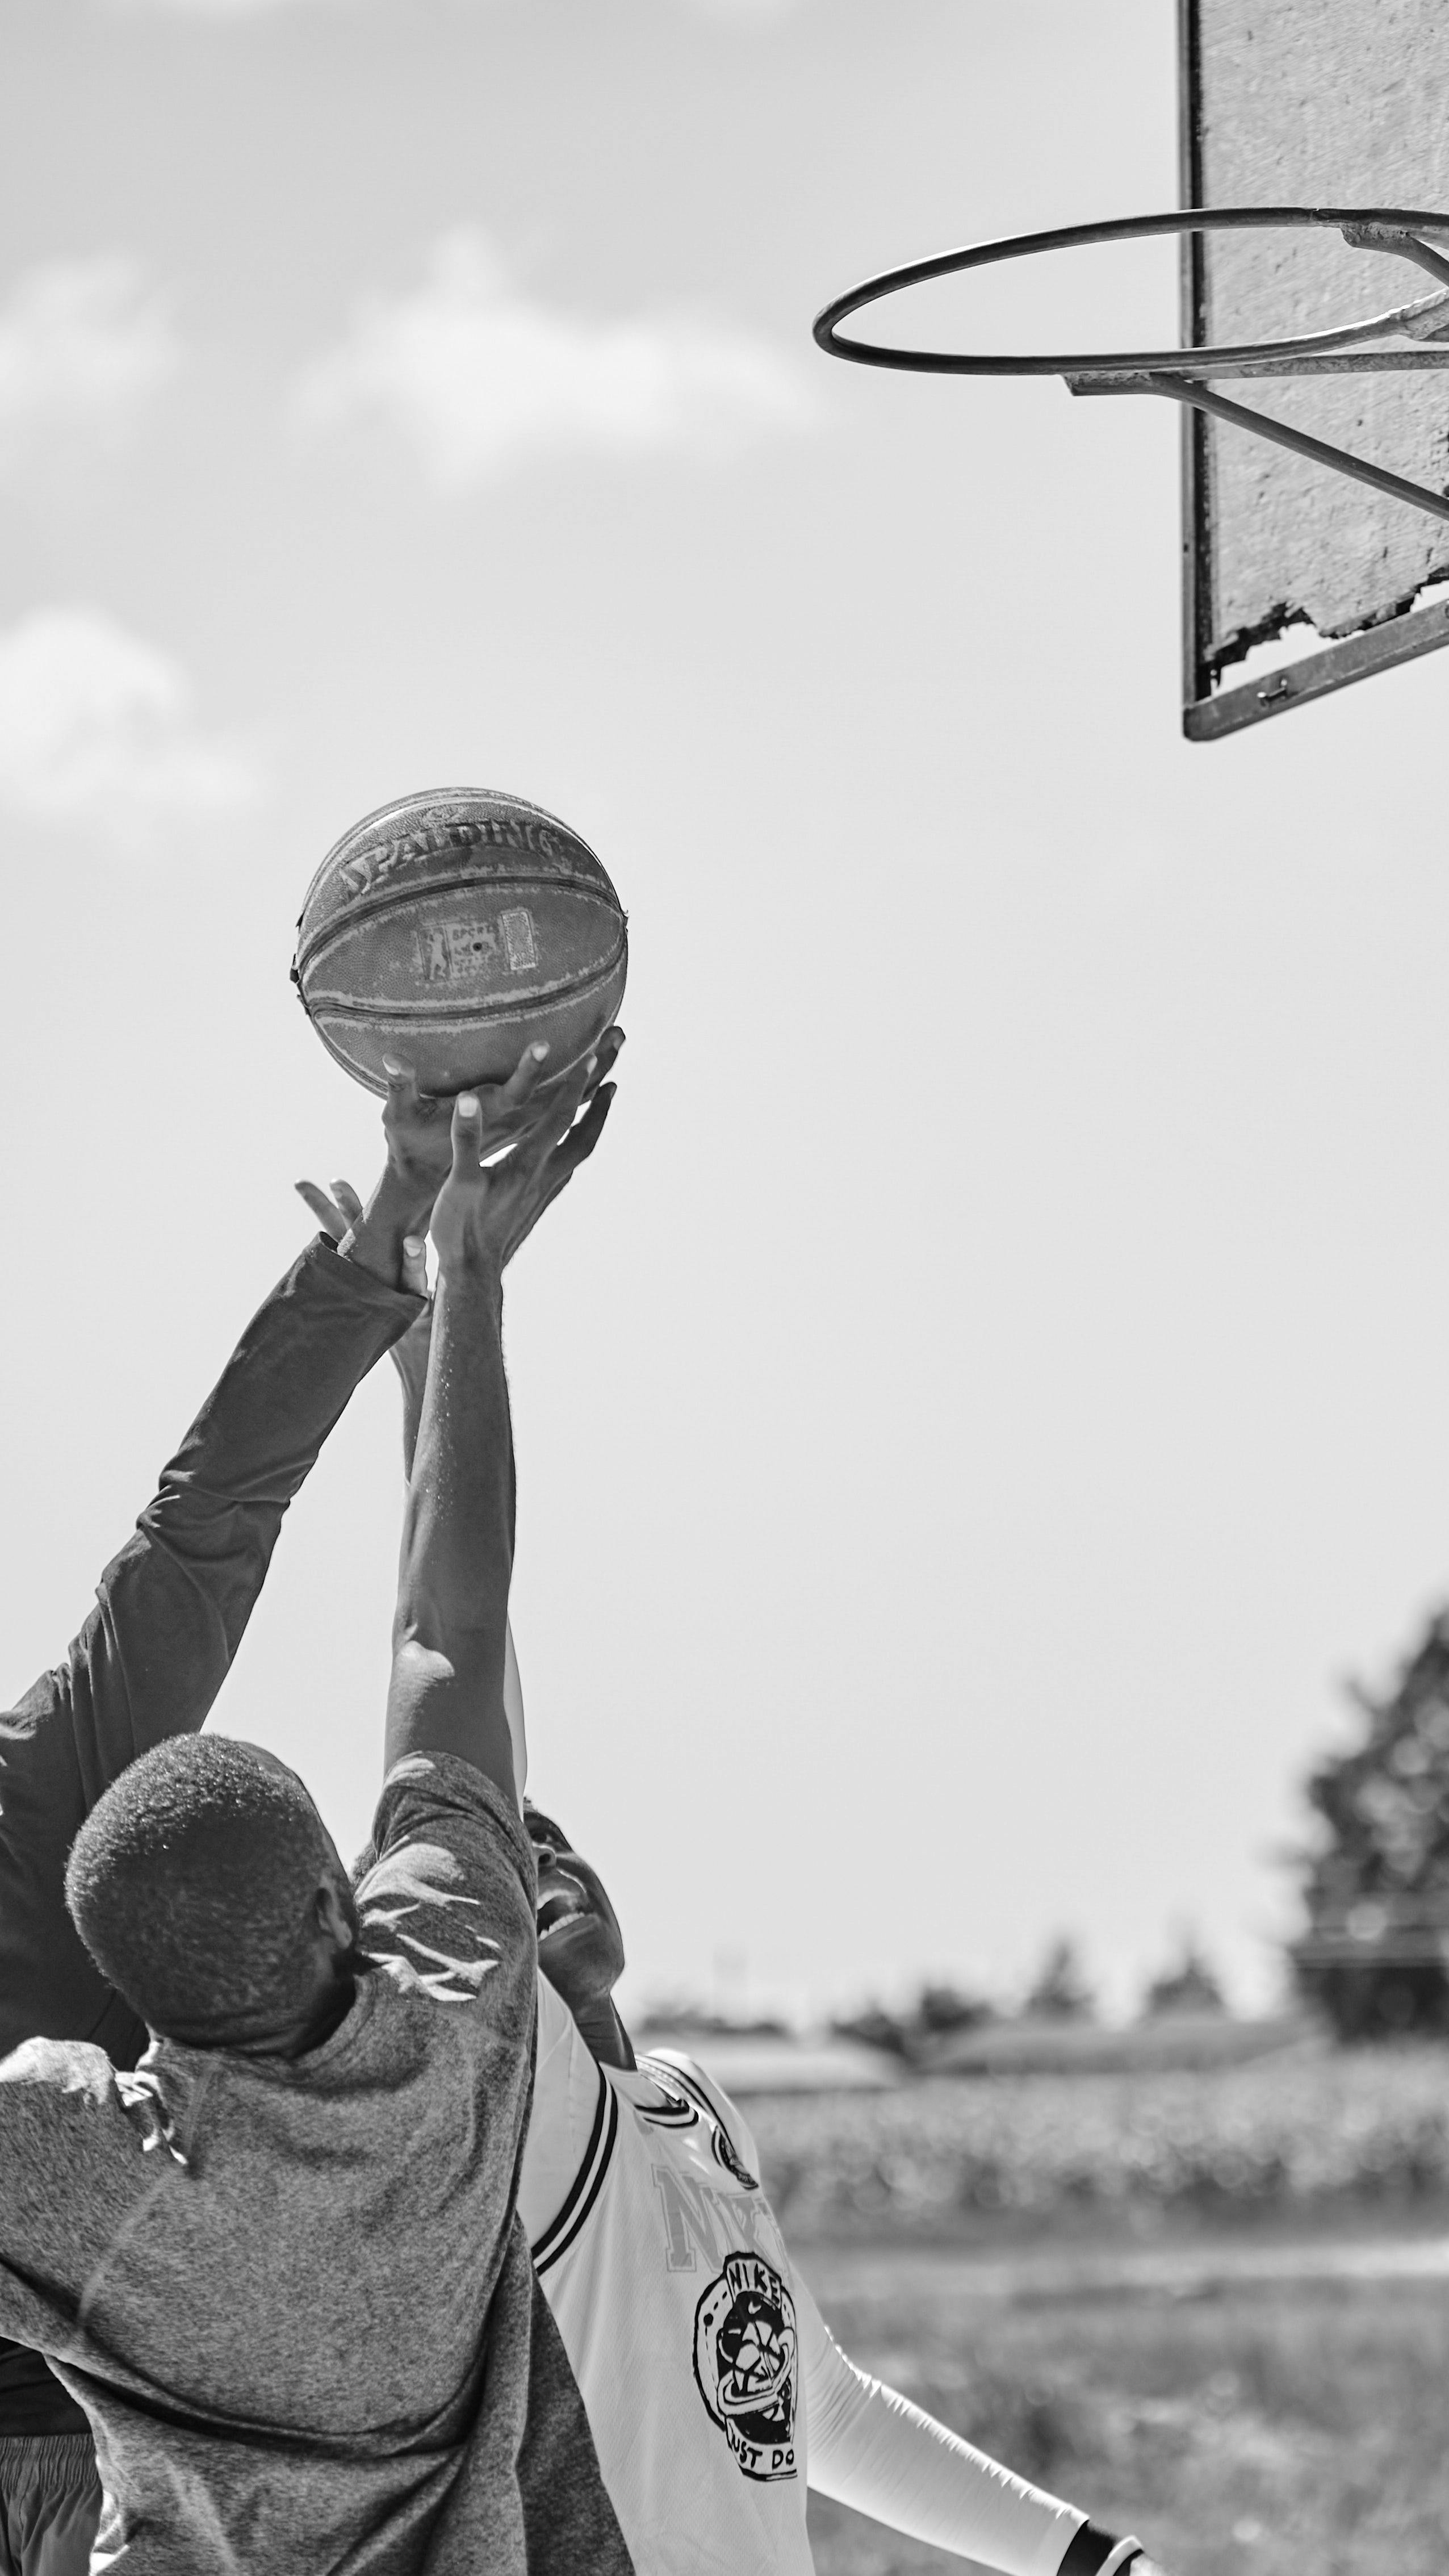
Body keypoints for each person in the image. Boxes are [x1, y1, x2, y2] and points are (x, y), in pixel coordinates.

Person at [338, 1237, 1170, 2576]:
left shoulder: (692, 2104)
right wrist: (433, 1375)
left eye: (558, 1839)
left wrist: (1090, 2560)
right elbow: (466, 1676)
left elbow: (811, 2404)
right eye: (516, 1851)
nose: (546, 1856)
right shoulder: (531, 2118)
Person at [0, 1053, 621, 2576]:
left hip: (102, 2441)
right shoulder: (435, 2017)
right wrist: (432, 1270)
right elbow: (439, 1633)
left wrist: (383, 1257)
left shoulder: (46, 1790)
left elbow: (207, 1526)